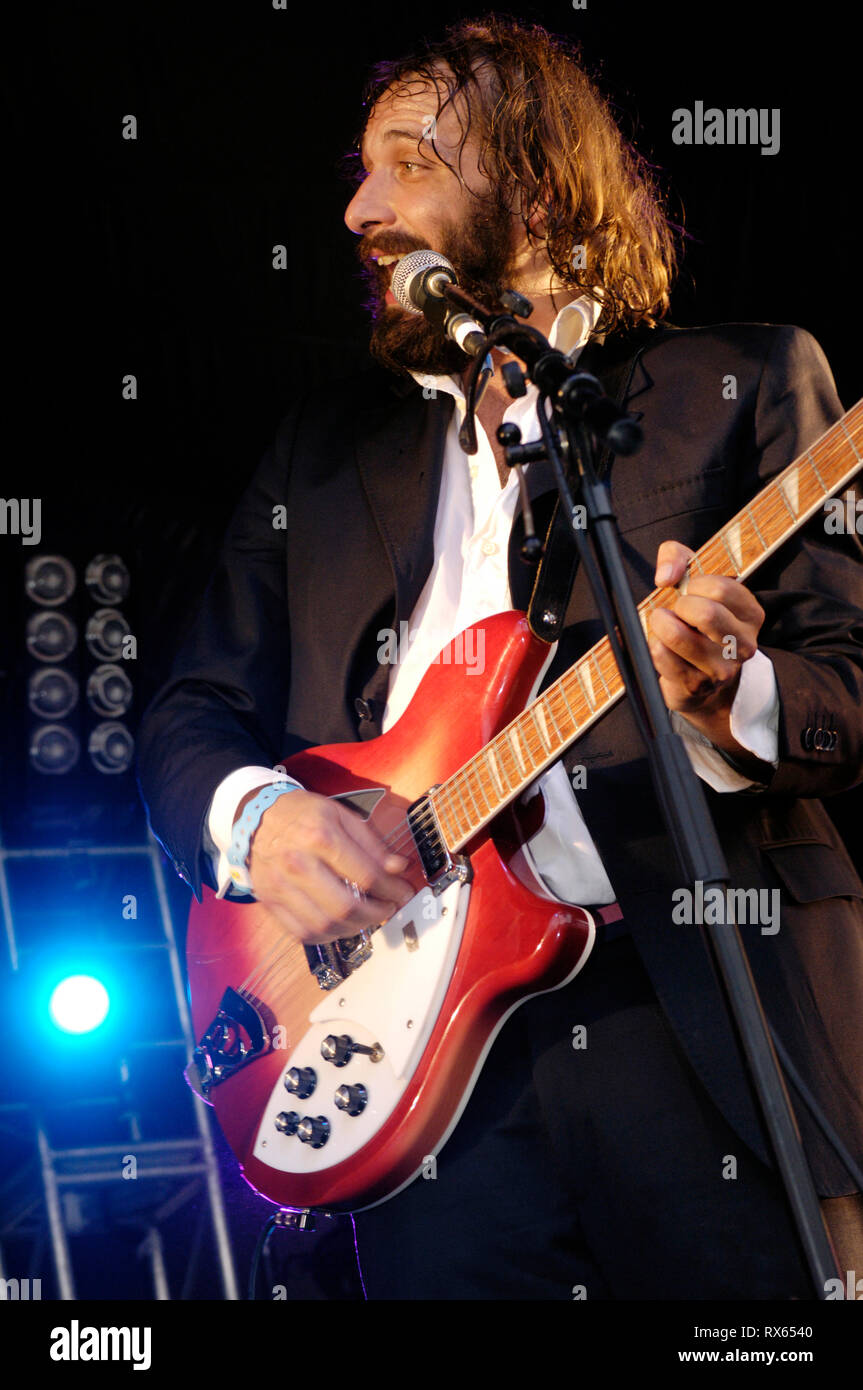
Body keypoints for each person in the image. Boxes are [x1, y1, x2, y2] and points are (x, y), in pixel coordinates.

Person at [137, 16, 863, 1299]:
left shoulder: (740, 380)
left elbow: (838, 691)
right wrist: (264, 825)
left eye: (408, 162)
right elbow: (189, 710)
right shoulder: (322, 453)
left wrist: (723, 698)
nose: (361, 206)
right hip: (410, 1055)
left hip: (686, 1012)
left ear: (531, 188)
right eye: (359, 169)